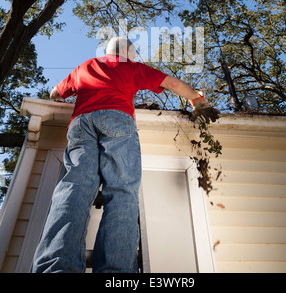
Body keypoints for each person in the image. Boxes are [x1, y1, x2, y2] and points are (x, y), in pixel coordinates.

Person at [32, 37, 219, 273]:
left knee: (73, 190)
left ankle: (54, 267)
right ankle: (115, 272)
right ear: (128, 53)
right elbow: (171, 83)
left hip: (81, 124)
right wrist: (196, 99)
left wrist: (69, 91)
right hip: (117, 118)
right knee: (121, 192)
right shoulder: (131, 66)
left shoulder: (85, 66)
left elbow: (54, 94)